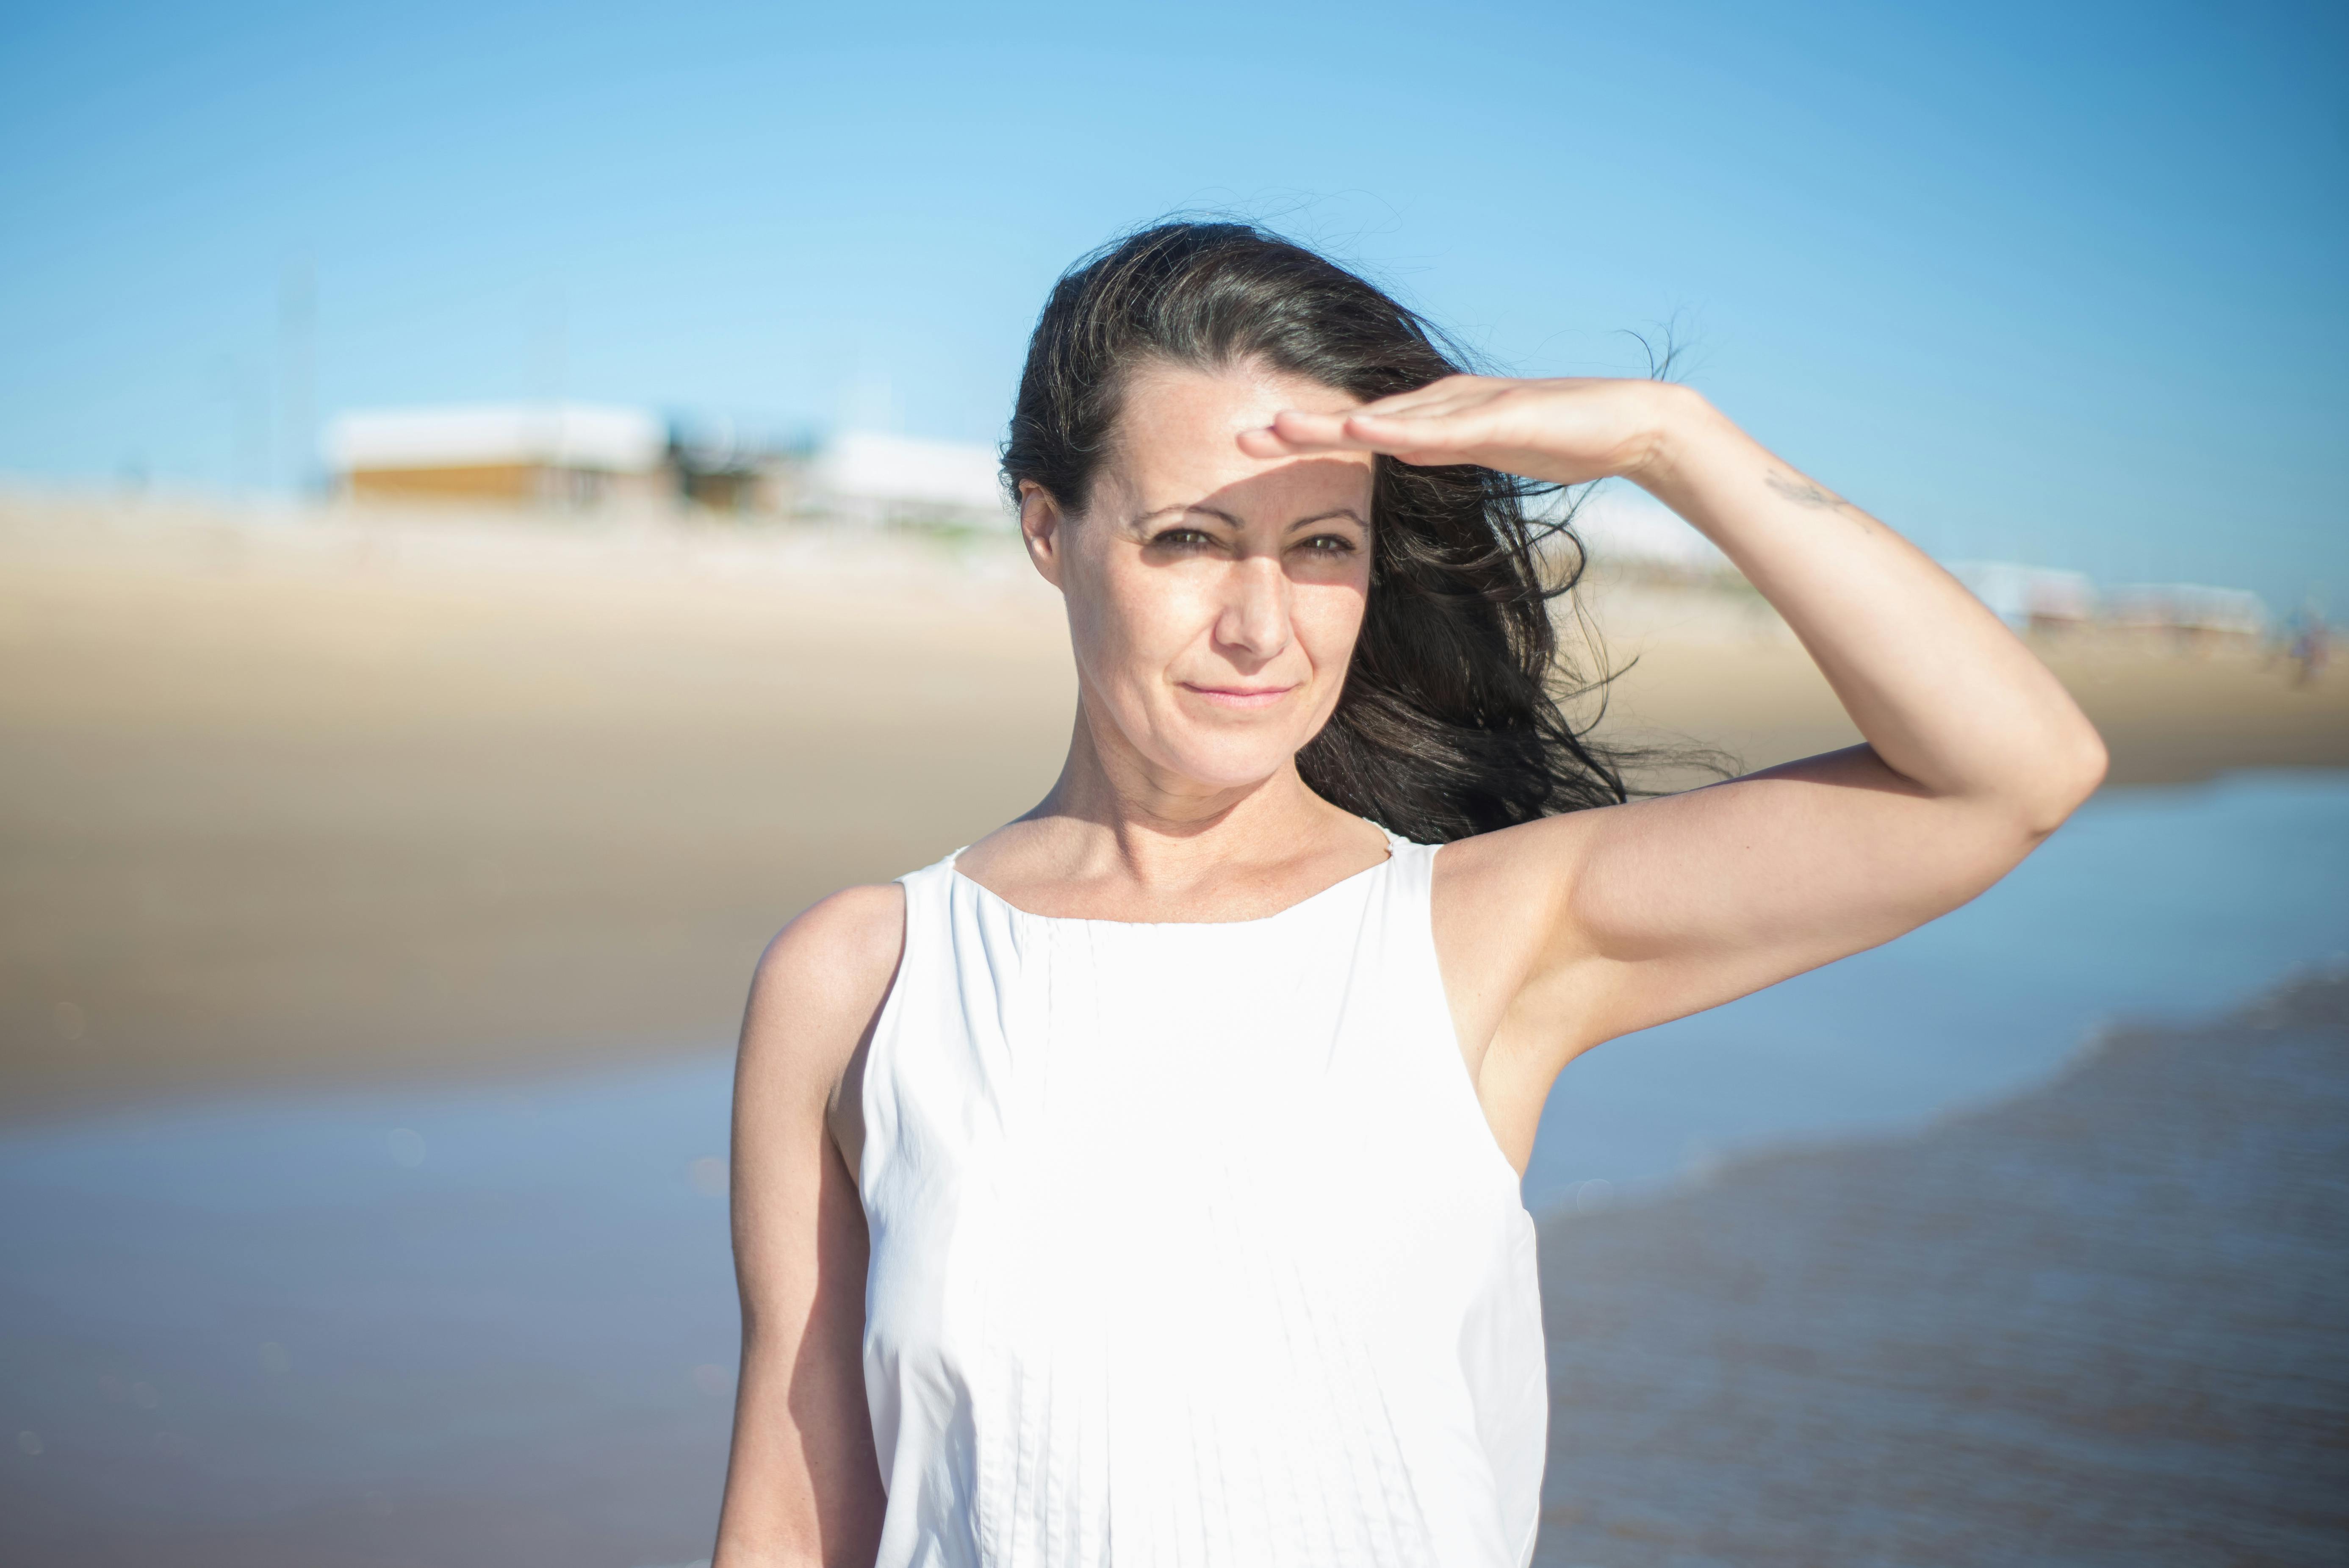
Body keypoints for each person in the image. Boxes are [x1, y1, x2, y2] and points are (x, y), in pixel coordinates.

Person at [710, 222, 2108, 1568]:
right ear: (1046, 529)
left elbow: (2012, 775)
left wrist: (1670, 441)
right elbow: (790, 1527)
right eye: (1190, 540)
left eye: (1322, 546)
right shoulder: (863, 978)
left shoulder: (1478, 930)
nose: (1262, 627)